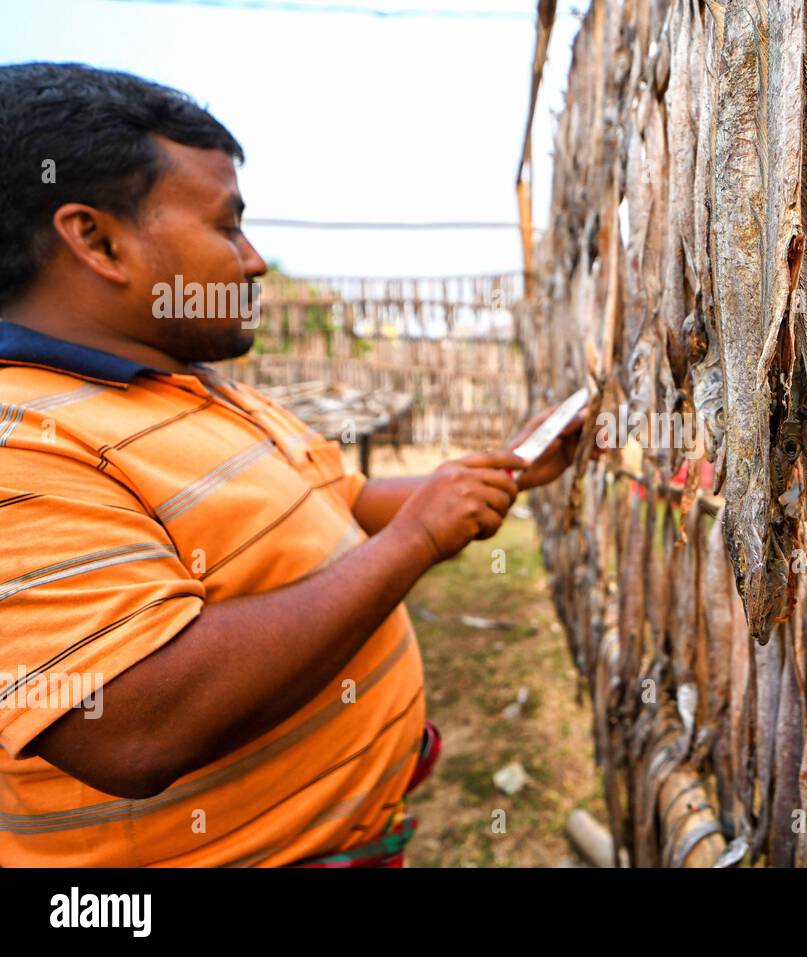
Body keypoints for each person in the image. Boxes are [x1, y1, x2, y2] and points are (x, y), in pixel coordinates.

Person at [0, 62, 584, 866]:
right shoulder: (22, 443)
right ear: (97, 239)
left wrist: (508, 468)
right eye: (225, 226)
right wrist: (415, 541)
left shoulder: (192, 388)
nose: (254, 259)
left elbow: (341, 501)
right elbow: (127, 722)